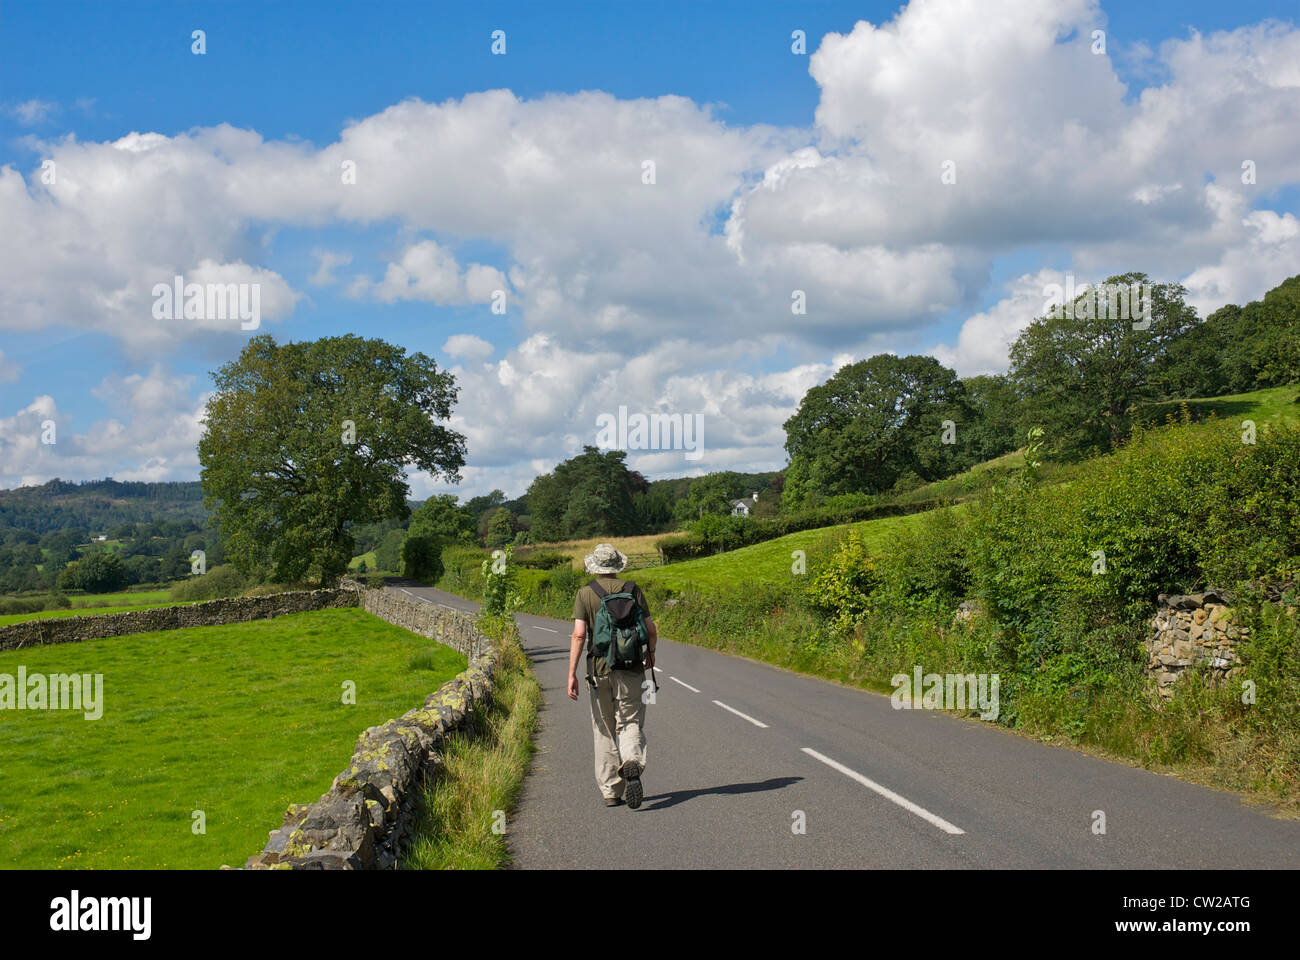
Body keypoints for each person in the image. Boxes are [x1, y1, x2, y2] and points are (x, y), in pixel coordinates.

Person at [567, 543, 658, 809]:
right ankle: (631, 760)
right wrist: (650, 654)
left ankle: (610, 790)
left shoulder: (585, 594)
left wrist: (571, 673)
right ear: (617, 566)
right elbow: (651, 629)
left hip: (598, 670)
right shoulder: (633, 590)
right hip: (631, 668)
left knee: (604, 728)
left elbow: (579, 635)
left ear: (595, 566)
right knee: (630, 722)